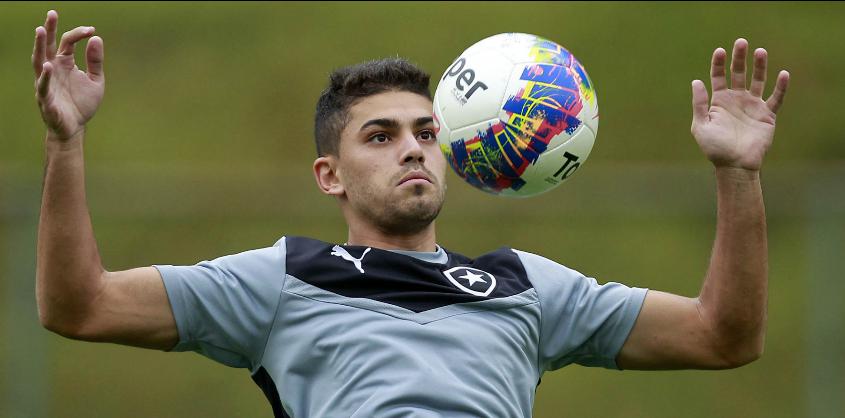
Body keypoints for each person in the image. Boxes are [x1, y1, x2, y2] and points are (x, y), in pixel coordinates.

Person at [32, 9, 789, 418]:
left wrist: (735, 173)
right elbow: (79, 305)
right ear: (328, 175)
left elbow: (723, 336)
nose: (414, 149)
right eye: (381, 136)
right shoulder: (282, 278)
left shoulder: (523, 286)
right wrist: (67, 148)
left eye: (428, 133)